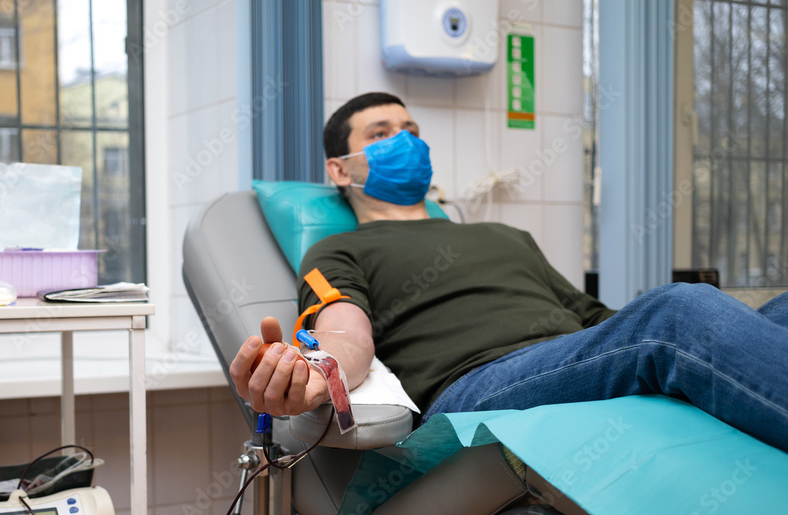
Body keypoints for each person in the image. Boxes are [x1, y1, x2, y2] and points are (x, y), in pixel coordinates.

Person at [228, 92, 788, 452]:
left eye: (411, 127)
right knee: (678, 309)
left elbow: (601, 321)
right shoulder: (339, 248)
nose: (406, 140)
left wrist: (697, 332)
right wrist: (315, 374)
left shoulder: (501, 235)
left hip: (573, 359)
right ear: (339, 169)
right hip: (476, 388)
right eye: (380, 133)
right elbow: (346, 335)